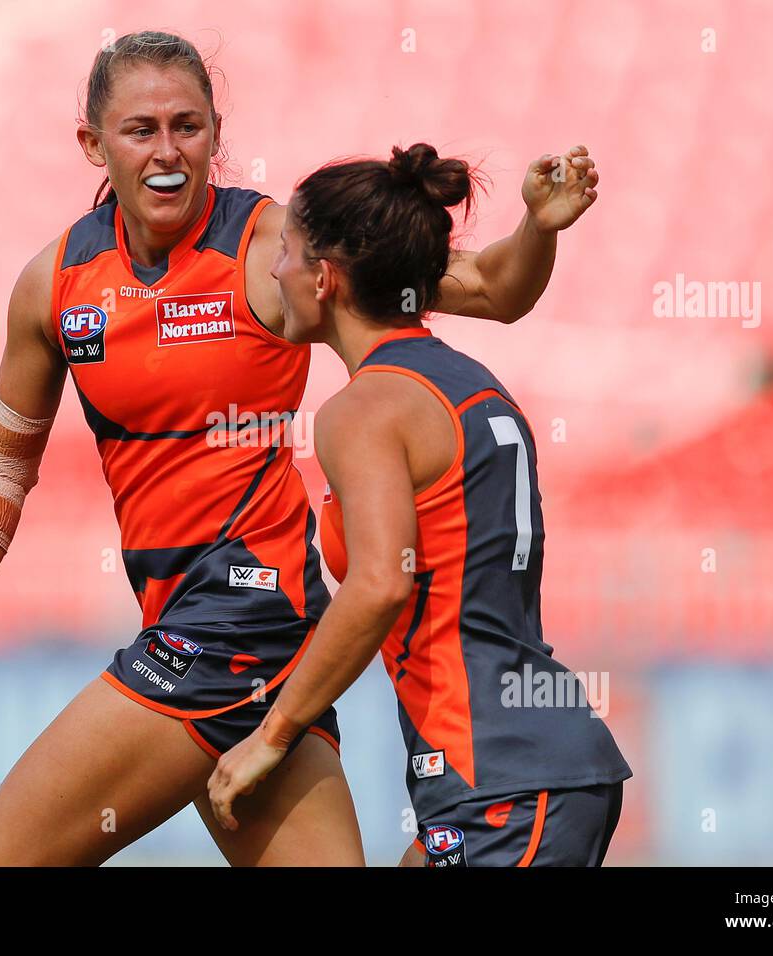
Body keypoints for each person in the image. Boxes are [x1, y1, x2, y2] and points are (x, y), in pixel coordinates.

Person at [0, 30, 600, 866]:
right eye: (142, 131)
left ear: (216, 131)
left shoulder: (274, 248)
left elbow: (493, 289)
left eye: (189, 125)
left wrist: (538, 224)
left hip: (243, 611)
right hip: (223, 630)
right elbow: (1, 465)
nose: (169, 152)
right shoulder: (54, 284)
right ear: (93, 144)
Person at [207, 142, 630, 867]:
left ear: (326, 277)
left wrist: (270, 738)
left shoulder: (365, 409)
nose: (273, 270)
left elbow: (378, 584)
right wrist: (540, 228)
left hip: (499, 774)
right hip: (525, 768)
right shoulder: (464, 381)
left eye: (288, 251)